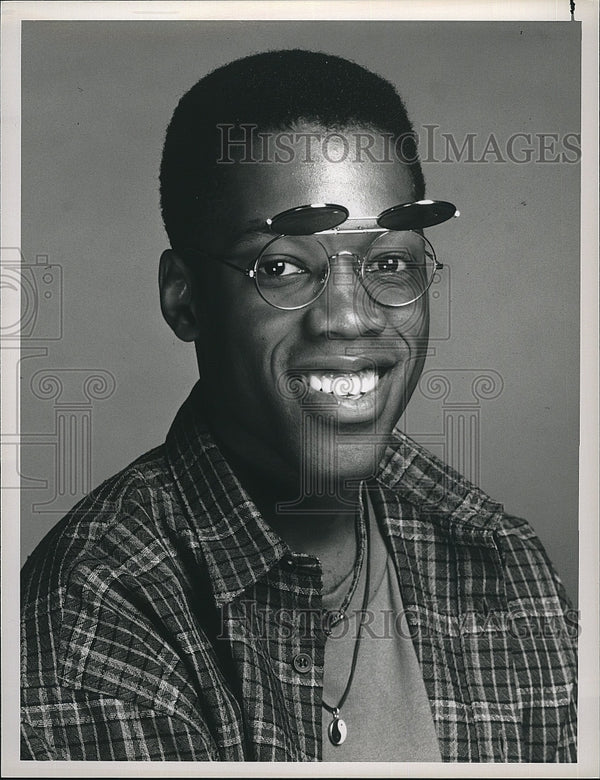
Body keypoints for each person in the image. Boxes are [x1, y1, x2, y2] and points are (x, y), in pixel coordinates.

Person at [20, 49, 577, 762]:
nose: (349, 318)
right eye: (282, 265)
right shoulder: (95, 619)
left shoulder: (497, 557)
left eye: (390, 262)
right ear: (184, 296)